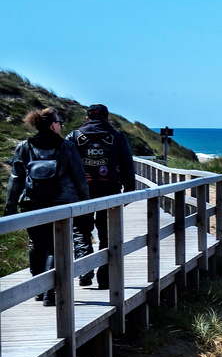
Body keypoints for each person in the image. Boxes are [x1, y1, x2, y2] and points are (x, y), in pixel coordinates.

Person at [4, 108, 90, 304]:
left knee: (36, 244)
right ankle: (49, 292)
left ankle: (37, 289)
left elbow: (15, 178)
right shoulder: (67, 146)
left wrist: (10, 206)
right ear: (52, 125)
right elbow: (80, 178)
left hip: (31, 202)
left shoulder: (24, 146)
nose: (61, 125)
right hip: (61, 203)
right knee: (54, 246)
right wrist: (86, 203)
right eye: (59, 122)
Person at [68, 104, 136, 289]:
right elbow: (127, 165)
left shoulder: (74, 136)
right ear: (107, 118)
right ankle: (104, 278)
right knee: (106, 234)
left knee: (81, 230)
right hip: (109, 192)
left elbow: (65, 164)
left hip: (81, 193)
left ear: (87, 118)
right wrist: (129, 191)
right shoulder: (117, 137)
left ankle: (84, 271)